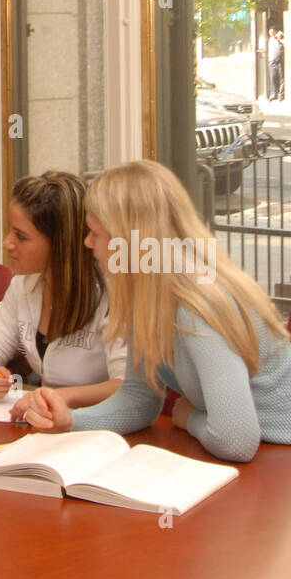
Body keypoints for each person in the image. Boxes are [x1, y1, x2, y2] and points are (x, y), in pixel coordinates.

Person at [23, 159, 291, 462]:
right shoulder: (149, 296)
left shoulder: (198, 306)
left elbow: (236, 441)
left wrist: (189, 417)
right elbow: (139, 397)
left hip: (277, 461)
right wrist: (71, 421)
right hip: (259, 459)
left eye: (95, 233)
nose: (87, 242)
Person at [0, 171, 126, 419]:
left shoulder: (114, 294)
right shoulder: (22, 285)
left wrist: (62, 397)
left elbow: (126, 386)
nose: (7, 243)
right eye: (10, 230)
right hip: (46, 420)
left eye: (21, 236)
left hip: (98, 427)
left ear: (61, 243)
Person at [268, 27, 284, 102]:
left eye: (272, 32)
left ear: (275, 31)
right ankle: (273, 94)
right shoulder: (270, 39)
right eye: (270, 33)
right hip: (272, 61)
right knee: (273, 78)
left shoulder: (280, 37)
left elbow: (285, 43)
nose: (271, 34)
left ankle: (281, 95)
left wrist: (280, 38)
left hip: (279, 60)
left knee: (281, 78)